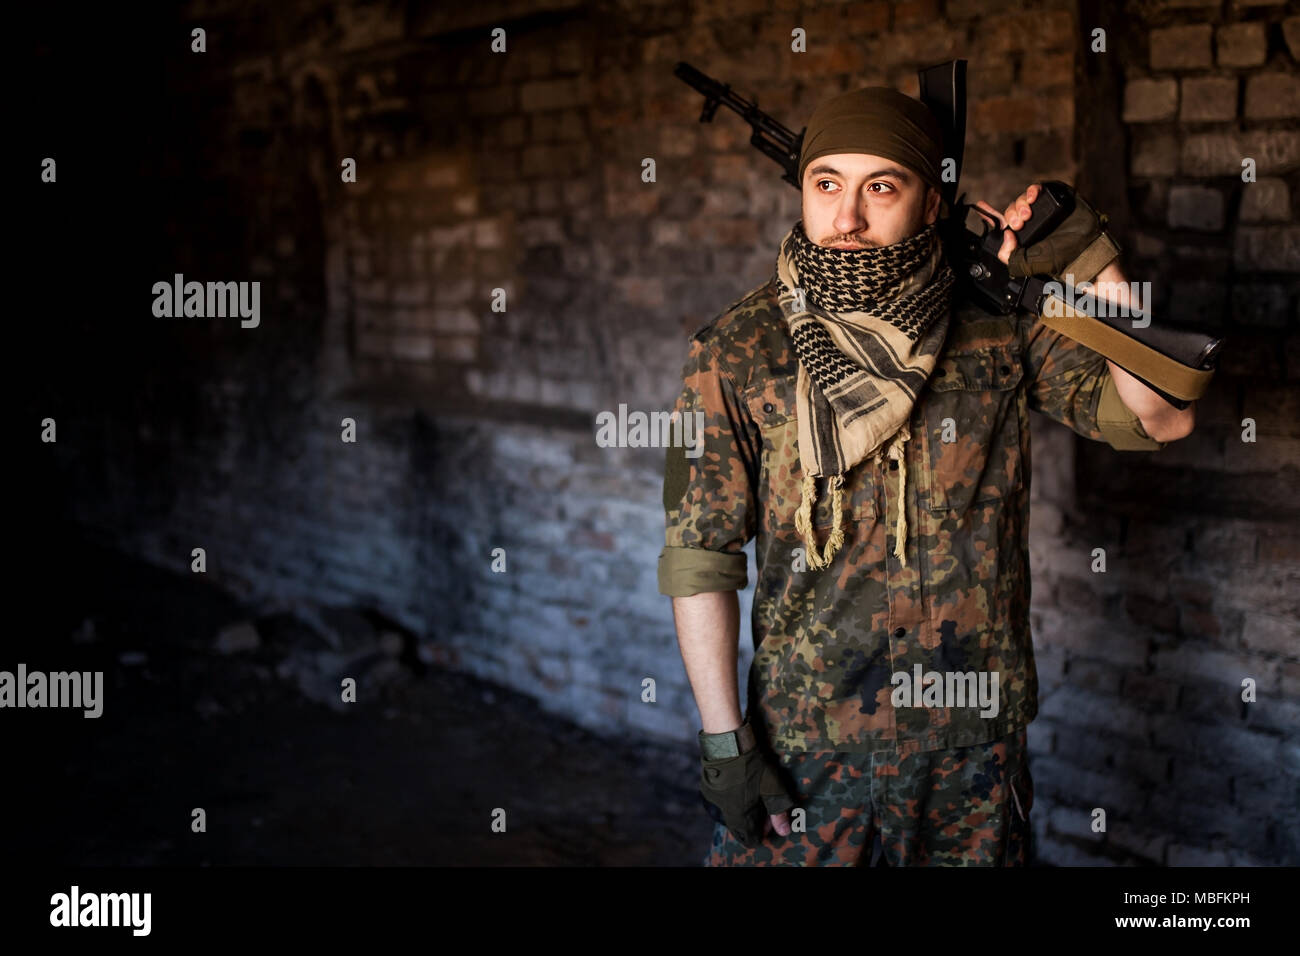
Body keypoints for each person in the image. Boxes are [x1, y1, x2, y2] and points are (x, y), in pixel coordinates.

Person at [657, 85, 1195, 866]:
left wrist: (1094, 265)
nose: (846, 219)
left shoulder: (998, 329)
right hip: (808, 748)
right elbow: (697, 558)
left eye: (881, 187)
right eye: (826, 184)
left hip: (970, 749)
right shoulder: (738, 350)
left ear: (932, 200)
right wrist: (723, 739)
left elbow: (1163, 415)